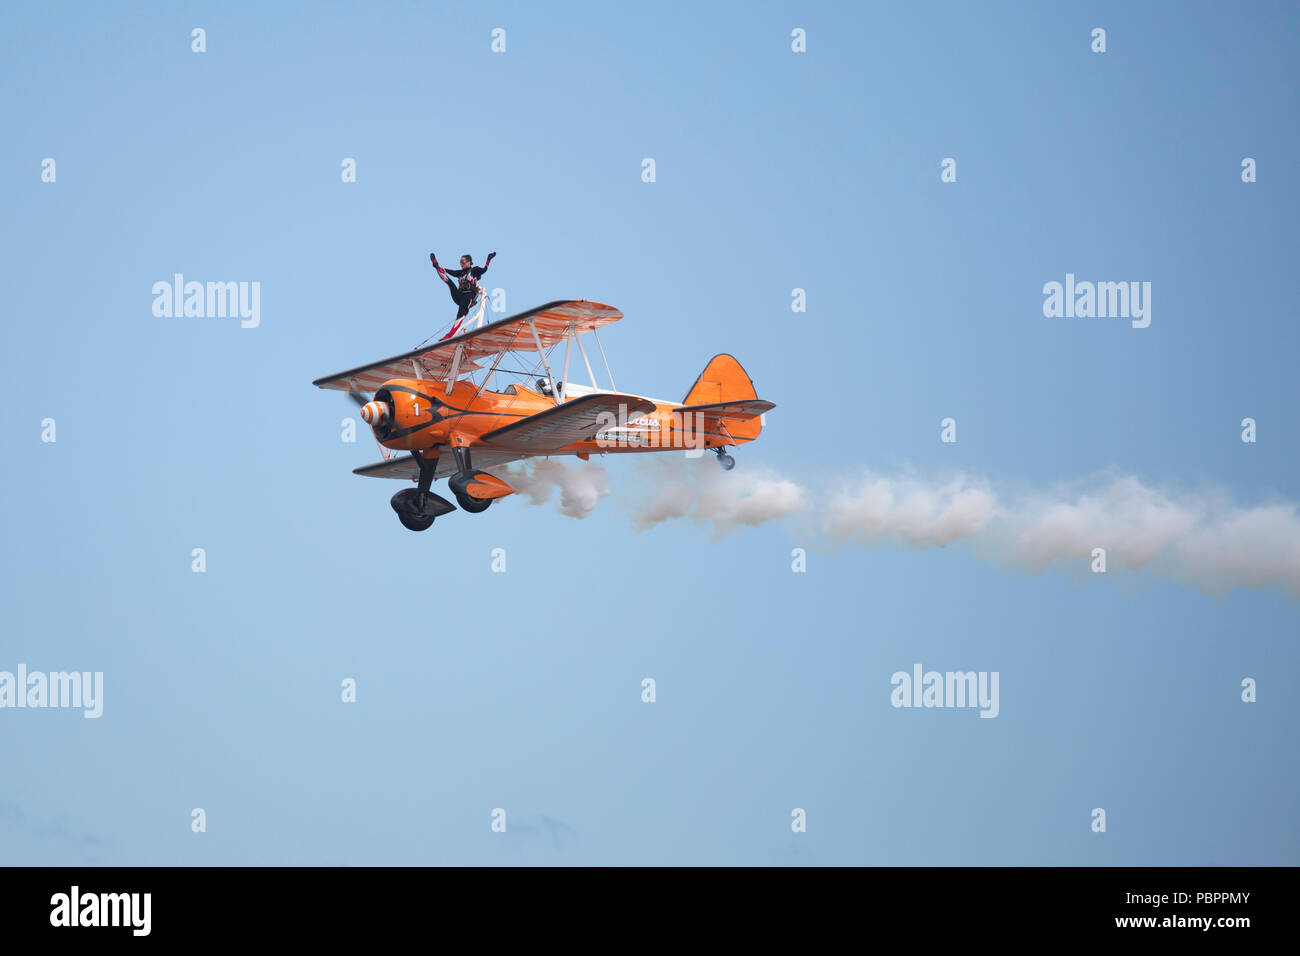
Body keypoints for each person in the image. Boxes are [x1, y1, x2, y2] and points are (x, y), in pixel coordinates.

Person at [431, 251, 496, 321]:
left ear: (469, 262)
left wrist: (488, 259)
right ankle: (436, 266)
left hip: (469, 295)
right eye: (460, 262)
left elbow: (484, 269)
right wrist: (441, 269)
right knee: (449, 282)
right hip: (459, 296)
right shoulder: (461, 273)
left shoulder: (474, 270)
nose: (461, 264)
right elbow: (453, 272)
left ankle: (457, 323)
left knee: (462, 308)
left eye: (463, 262)